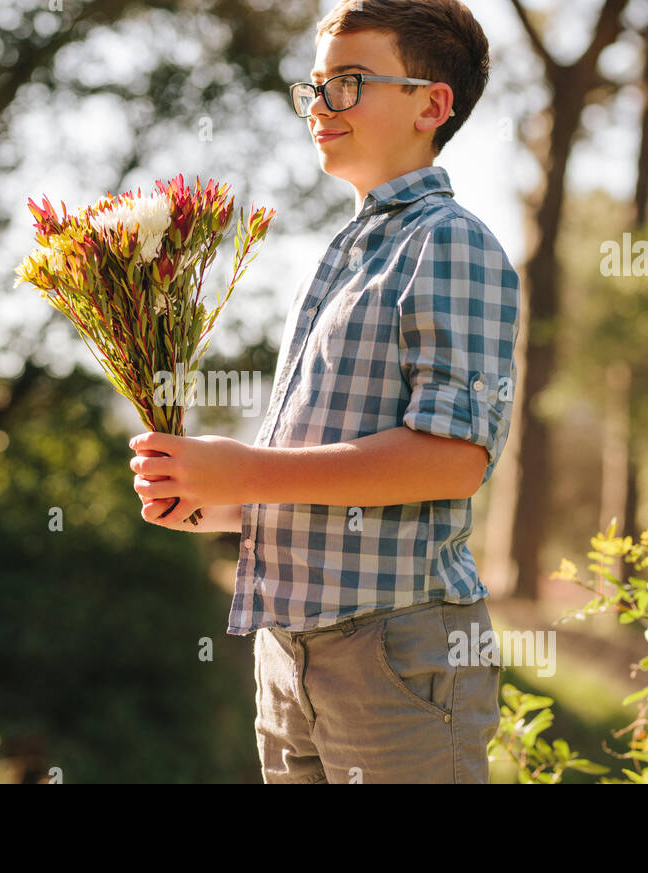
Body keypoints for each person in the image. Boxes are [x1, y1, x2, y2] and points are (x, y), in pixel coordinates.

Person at [129, 0, 519, 783]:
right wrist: (215, 499)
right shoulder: (335, 256)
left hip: (396, 653)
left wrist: (245, 472)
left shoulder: (450, 241)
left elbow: (450, 462)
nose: (319, 107)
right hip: (291, 653)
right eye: (312, 87)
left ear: (431, 104)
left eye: (347, 83)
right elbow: (326, 473)